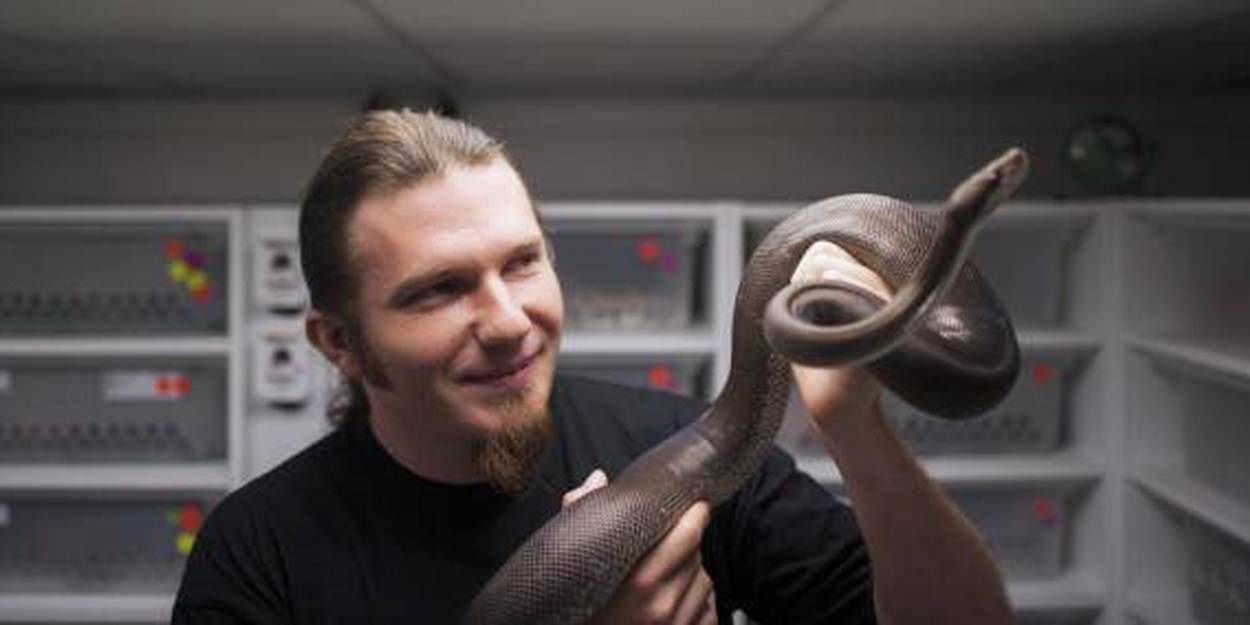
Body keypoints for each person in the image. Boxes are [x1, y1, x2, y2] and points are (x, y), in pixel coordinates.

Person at [173, 110, 1012, 624]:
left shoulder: (697, 450)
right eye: (440, 290)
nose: (508, 320)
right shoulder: (258, 553)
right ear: (340, 344)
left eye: (523, 262)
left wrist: (855, 427)